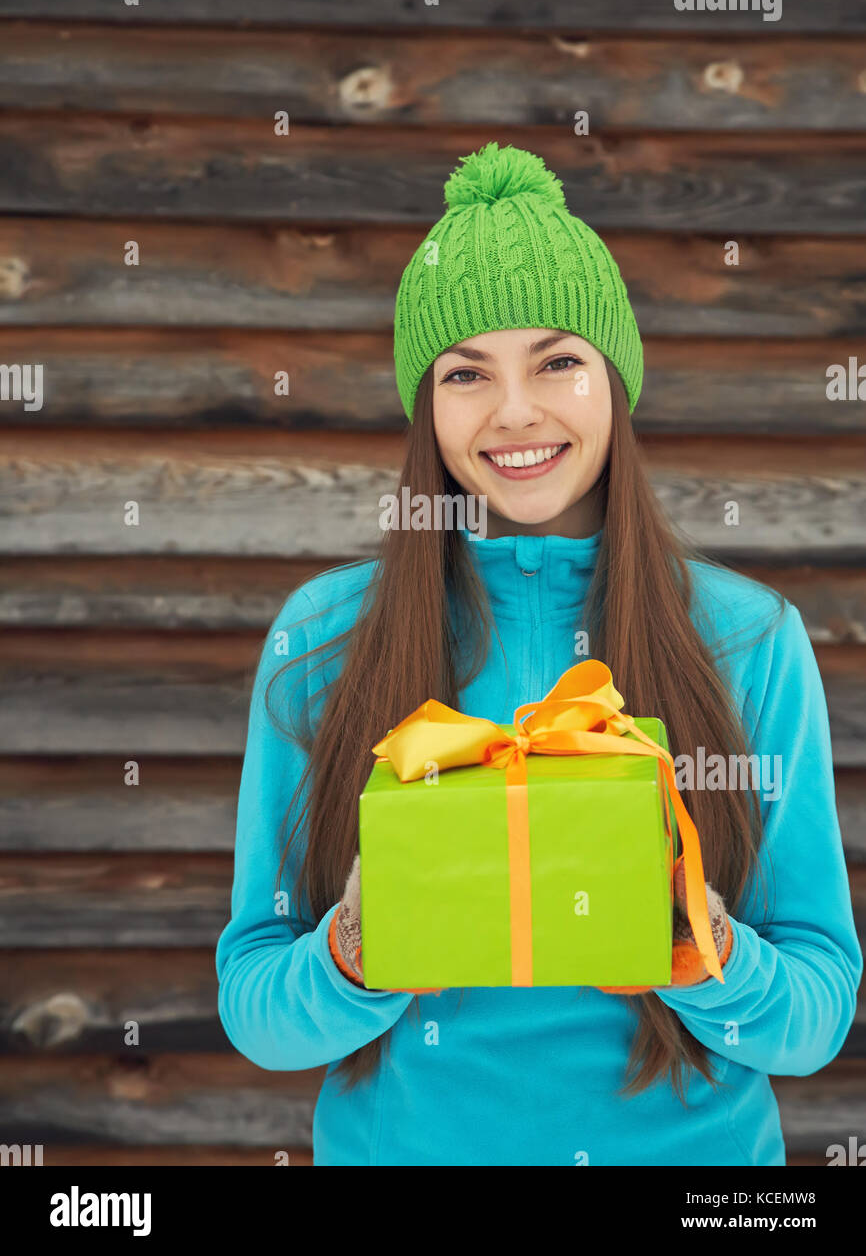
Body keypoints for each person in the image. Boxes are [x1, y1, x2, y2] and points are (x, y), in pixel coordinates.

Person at [215, 141, 861, 1166]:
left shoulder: (747, 639)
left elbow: (814, 1017)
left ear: (615, 382)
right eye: (466, 373)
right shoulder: (321, 639)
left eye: (557, 361)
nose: (514, 412)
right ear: (427, 406)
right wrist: (348, 952)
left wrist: (707, 951)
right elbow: (257, 1010)